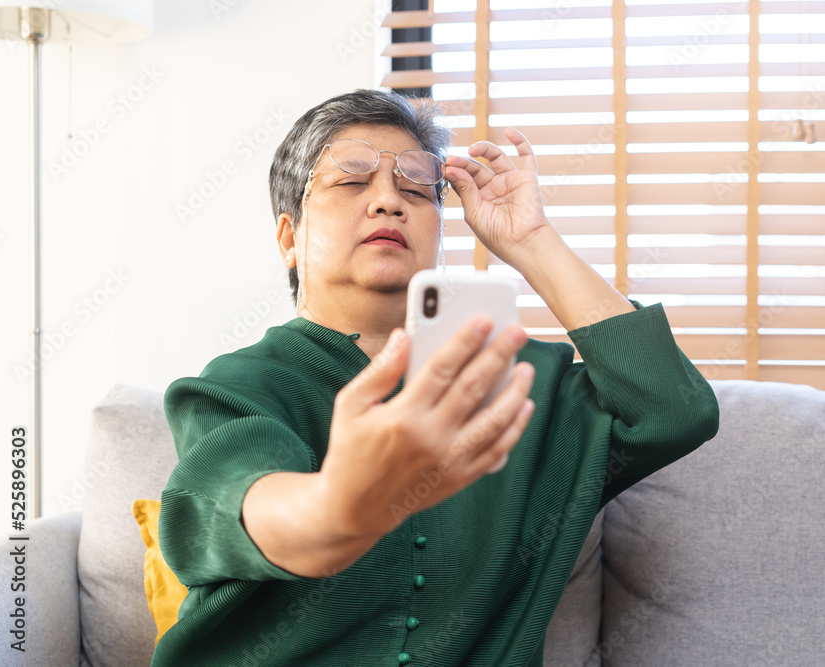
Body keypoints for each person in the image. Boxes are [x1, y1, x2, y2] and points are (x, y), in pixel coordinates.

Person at [153, 88, 720, 667]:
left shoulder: (516, 385)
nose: (387, 202)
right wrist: (337, 506)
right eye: (351, 181)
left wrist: (531, 242)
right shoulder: (239, 386)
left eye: (416, 189)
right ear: (288, 239)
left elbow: (673, 412)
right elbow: (233, 506)